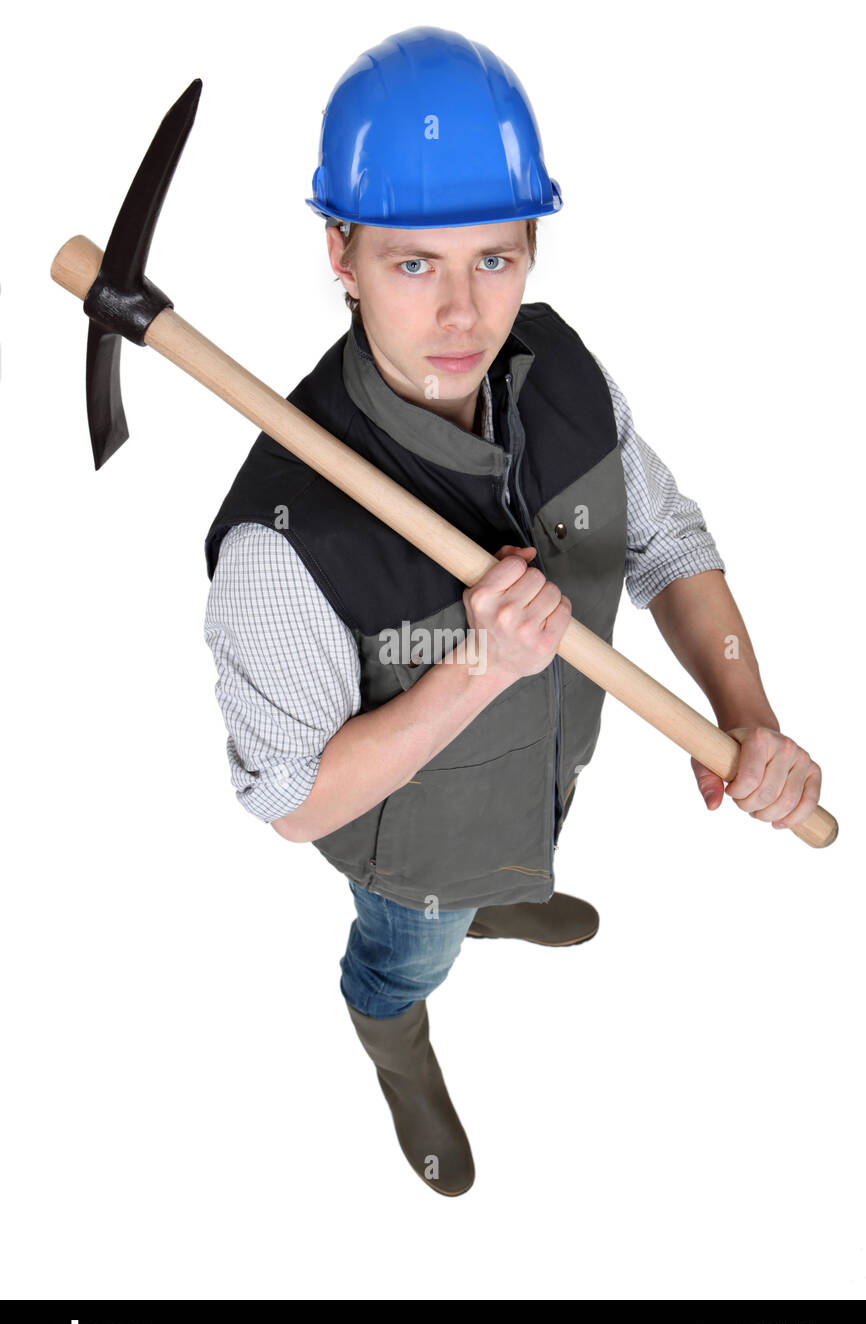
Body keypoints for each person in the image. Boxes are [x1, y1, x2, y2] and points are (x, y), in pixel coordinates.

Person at [203, 27, 822, 1198]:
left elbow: (667, 543)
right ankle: (393, 1029)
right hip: (411, 857)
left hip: (540, 775)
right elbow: (290, 802)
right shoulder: (282, 542)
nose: (458, 312)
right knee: (408, 949)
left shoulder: (568, 379)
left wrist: (745, 713)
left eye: (492, 259)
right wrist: (477, 667)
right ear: (338, 250)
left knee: (510, 846)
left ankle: (504, 892)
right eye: (411, 264)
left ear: (531, 244)